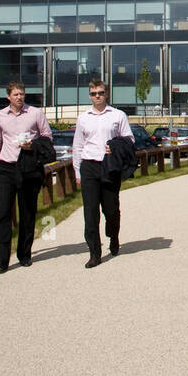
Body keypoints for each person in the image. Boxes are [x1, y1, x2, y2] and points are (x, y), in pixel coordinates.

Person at [0, 81, 52, 273]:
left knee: (27, 213)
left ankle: (24, 254)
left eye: (22, 94)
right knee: (4, 213)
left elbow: (47, 136)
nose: (19, 97)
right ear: (8, 96)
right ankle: (0, 259)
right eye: (15, 94)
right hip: (6, 168)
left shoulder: (35, 113)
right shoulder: (0, 116)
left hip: (29, 167)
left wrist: (33, 145)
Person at [72, 81, 133, 268]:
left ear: (106, 94)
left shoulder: (118, 115)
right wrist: (77, 171)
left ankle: (113, 236)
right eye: (93, 93)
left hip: (109, 167)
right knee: (90, 212)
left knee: (111, 209)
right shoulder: (83, 118)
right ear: (89, 96)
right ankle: (94, 253)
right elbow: (78, 146)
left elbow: (129, 139)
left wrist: (115, 147)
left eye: (100, 92)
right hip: (89, 166)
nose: (97, 96)